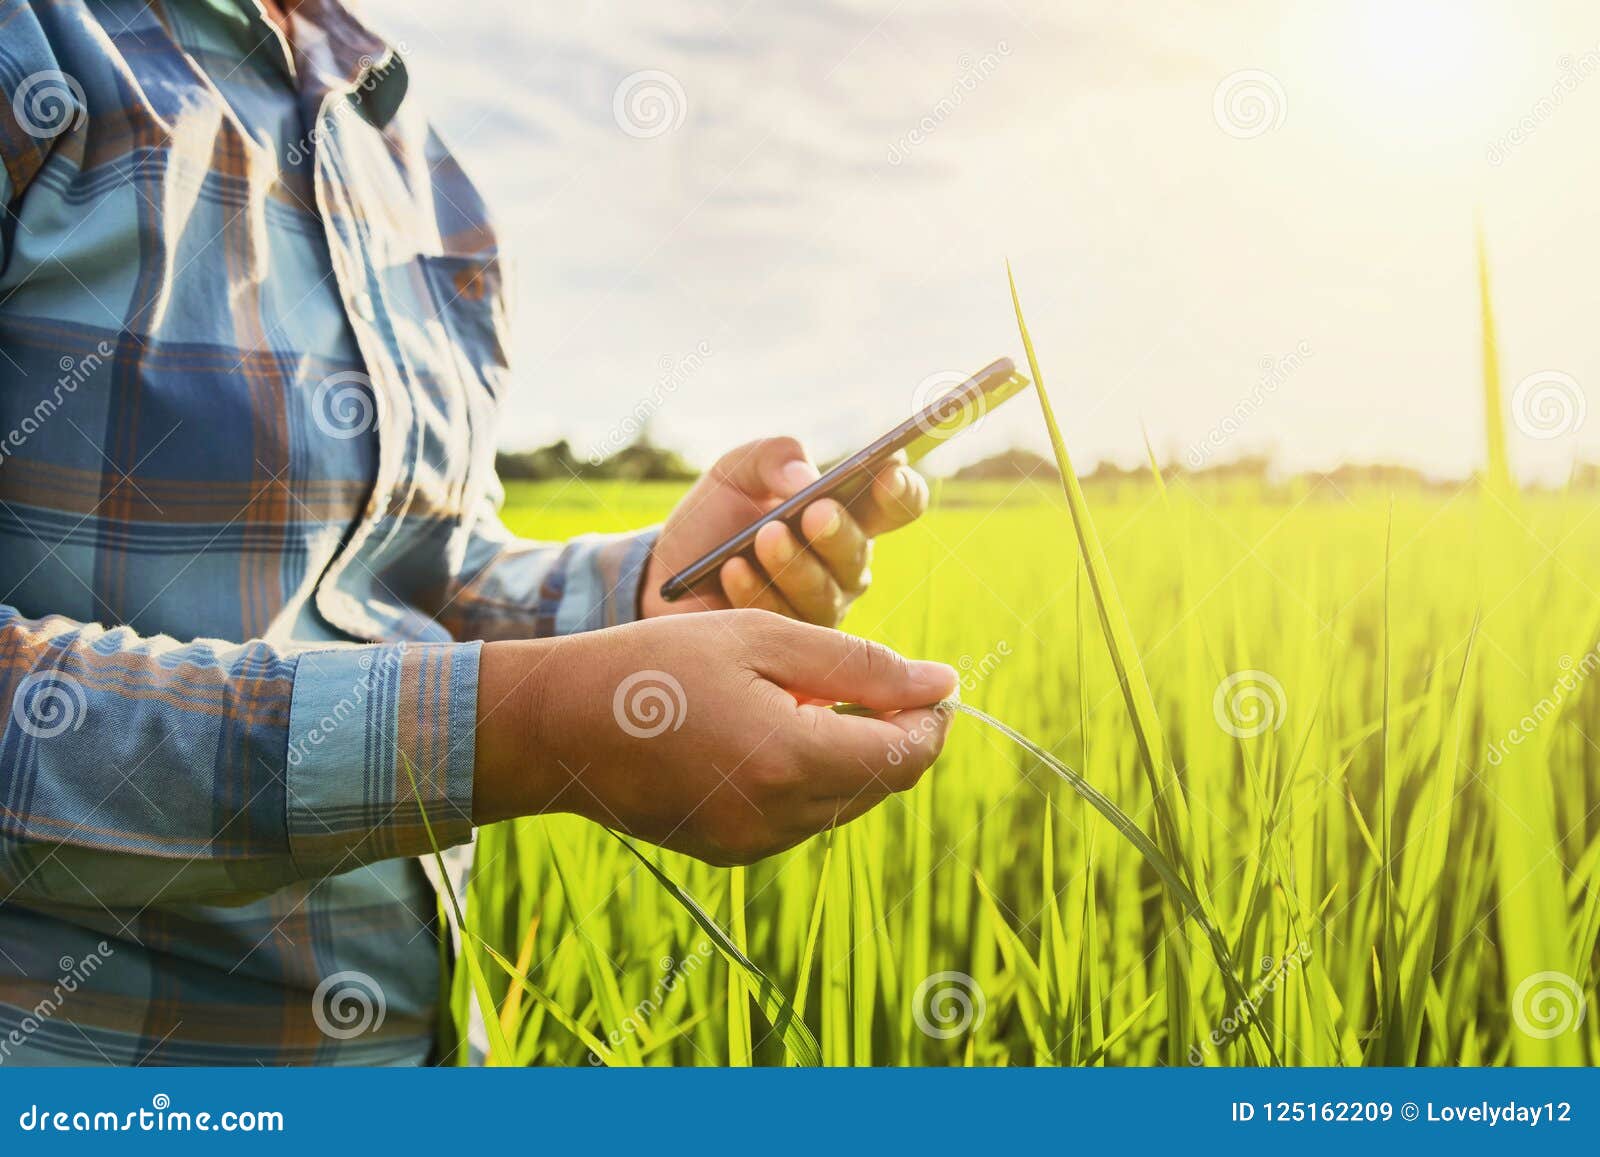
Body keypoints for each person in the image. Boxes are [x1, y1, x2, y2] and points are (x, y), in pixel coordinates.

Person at [0, 0, 955, 1064]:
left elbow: (408, 576)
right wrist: (538, 728)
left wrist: (653, 588)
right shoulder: (36, 49)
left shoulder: (407, 154)